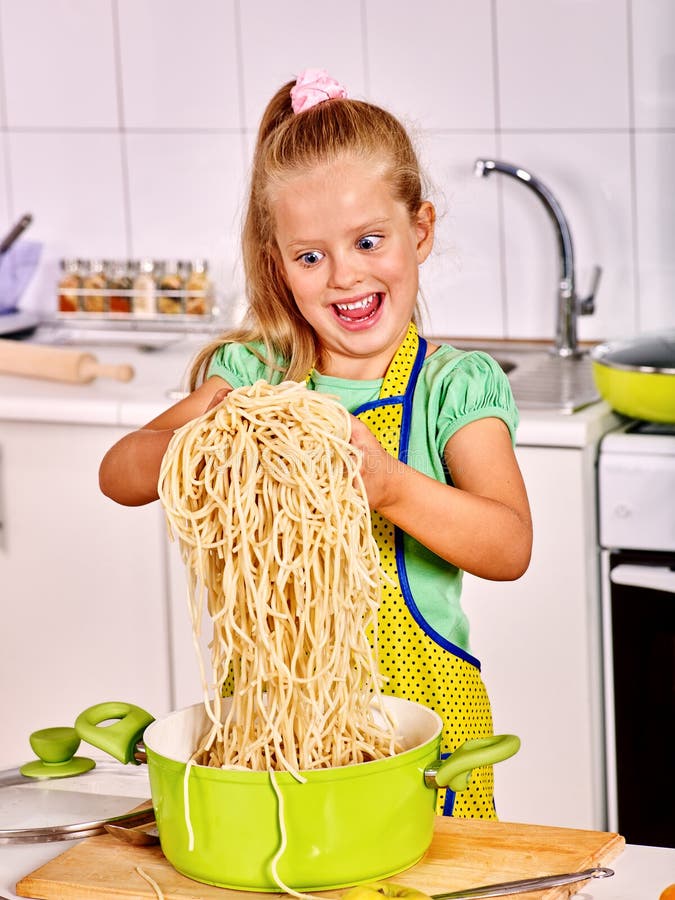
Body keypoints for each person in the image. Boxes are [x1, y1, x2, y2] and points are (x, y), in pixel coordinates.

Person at [99, 68, 532, 819]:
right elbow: (119, 475)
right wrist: (204, 436)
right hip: (274, 726)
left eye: (369, 241)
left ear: (419, 231)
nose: (344, 276)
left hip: (424, 732)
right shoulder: (251, 379)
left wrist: (391, 486)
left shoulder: (451, 388)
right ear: (277, 263)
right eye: (309, 257)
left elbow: (507, 545)